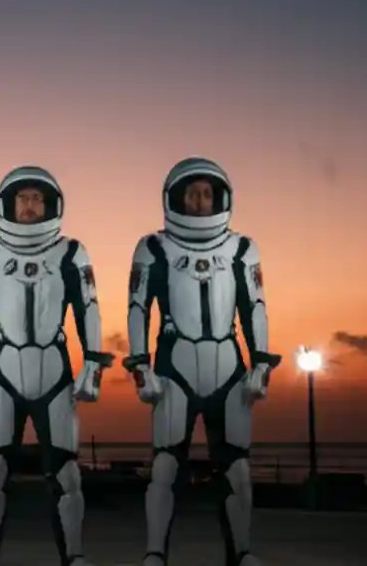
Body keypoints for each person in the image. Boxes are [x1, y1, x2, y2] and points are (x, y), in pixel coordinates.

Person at [0, 165, 113, 566]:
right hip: (3, 371)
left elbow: (89, 308)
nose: (31, 206)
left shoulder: (72, 252)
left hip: (54, 371)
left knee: (67, 472)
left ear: (51, 204)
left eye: (38, 198)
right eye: (23, 198)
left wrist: (93, 363)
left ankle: (74, 556)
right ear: (8, 204)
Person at [122, 156, 281, 566]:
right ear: (175, 198)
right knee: (164, 465)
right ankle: (156, 552)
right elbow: (138, 308)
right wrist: (141, 366)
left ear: (220, 197)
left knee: (238, 468)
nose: (199, 200)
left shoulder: (243, 248)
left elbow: (255, 308)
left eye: (207, 193)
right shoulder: (153, 247)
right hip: (175, 366)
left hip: (229, 366)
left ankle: (242, 552)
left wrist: (261, 363)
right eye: (192, 193)